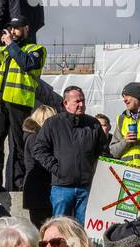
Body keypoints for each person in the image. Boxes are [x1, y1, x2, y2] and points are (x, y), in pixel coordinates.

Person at [0, 15, 46, 192]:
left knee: (19, 145)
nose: (12, 32)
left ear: (26, 29)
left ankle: (19, 183)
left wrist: (10, 44)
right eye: (10, 28)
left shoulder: (37, 49)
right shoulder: (7, 50)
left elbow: (27, 63)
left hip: (19, 102)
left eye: (17, 28)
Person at [30, 85, 108, 223]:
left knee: (83, 231)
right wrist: (57, 169)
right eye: (77, 101)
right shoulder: (53, 123)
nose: (81, 104)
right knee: (60, 228)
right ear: (65, 103)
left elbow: (103, 153)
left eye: (83, 100)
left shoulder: (93, 124)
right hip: (61, 188)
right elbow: (39, 149)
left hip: (86, 187)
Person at [21, 104, 57, 227]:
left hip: (39, 191)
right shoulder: (35, 138)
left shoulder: (33, 137)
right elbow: (42, 161)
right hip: (39, 192)